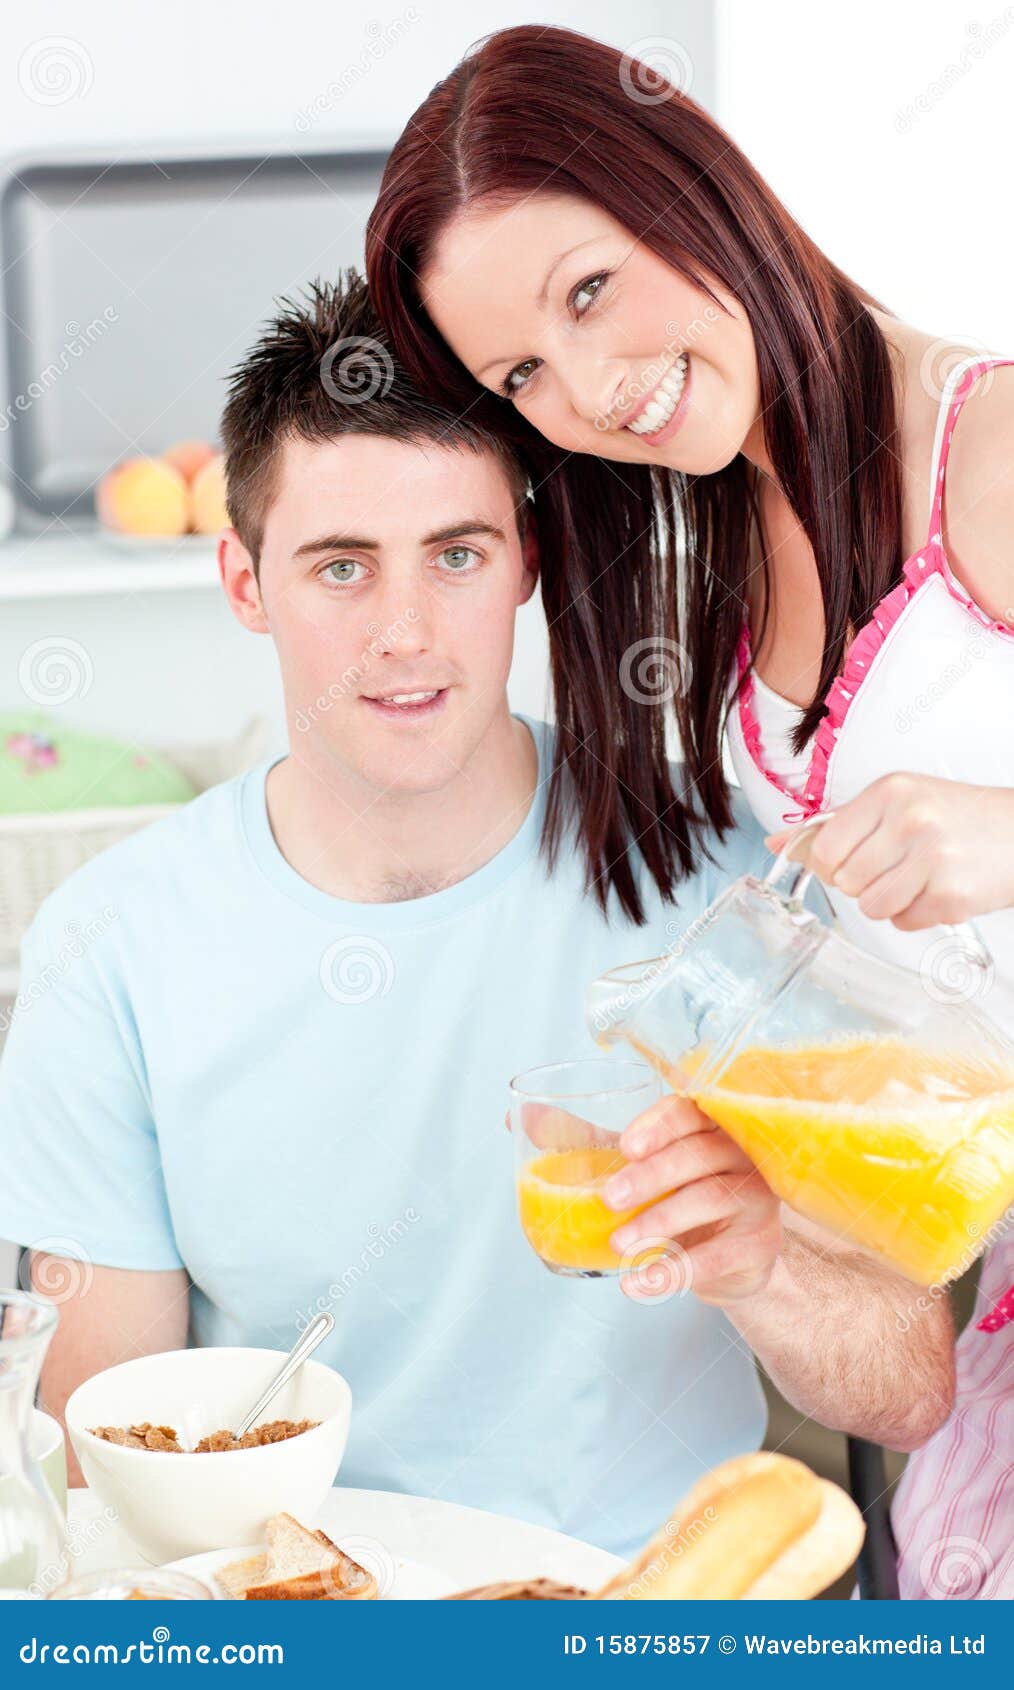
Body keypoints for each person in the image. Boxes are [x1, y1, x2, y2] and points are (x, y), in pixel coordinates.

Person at [0, 273, 952, 1564]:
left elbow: (908, 1382)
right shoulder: (108, 950)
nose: (406, 632)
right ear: (244, 581)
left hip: (651, 1613)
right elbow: (105, 1475)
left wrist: (761, 1264)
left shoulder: (724, 885)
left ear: (527, 566)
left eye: (456, 555)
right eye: (341, 567)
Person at [364, 24, 1013, 1588]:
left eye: (587, 288)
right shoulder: (715, 564)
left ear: (691, 191)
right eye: (520, 371)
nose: (588, 386)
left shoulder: (981, 450)